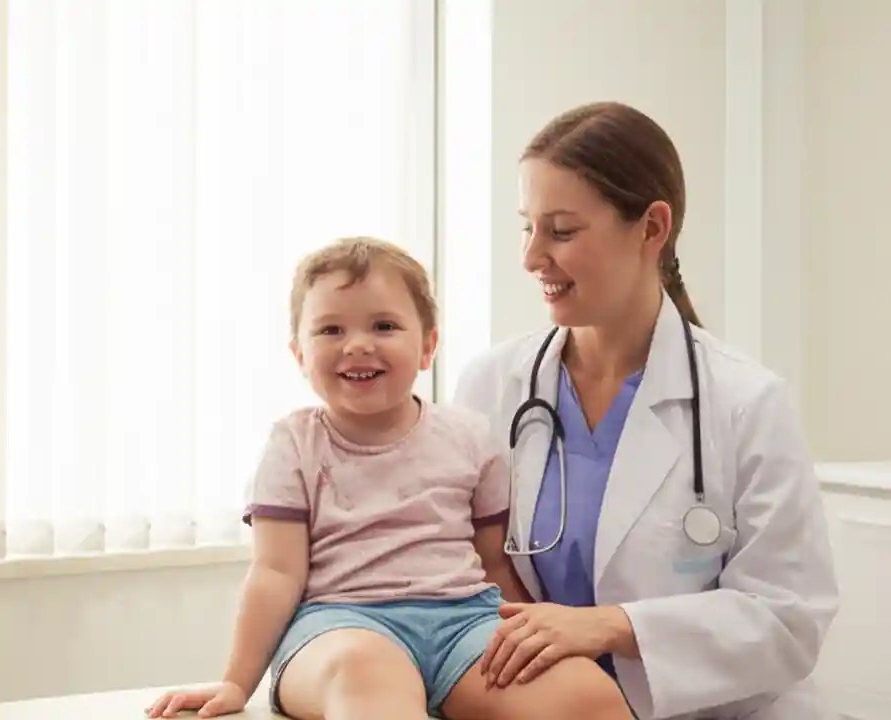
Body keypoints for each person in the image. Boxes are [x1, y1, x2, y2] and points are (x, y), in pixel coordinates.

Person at [452, 101, 840, 719]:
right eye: (527, 226)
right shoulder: (492, 386)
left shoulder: (747, 402)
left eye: (562, 231)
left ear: (652, 227)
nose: (531, 257)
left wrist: (612, 627)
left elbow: (789, 618)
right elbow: (452, 563)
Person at [145, 238, 632, 719]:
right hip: (340, 623)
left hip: (464, 623)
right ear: (299, 355)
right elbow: (276, 573)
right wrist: (235, 683)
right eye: (330, 330)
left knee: (587, 694)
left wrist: (531, 633)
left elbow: (495, 564)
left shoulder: (469, 436)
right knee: (366, 680)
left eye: (384, 325)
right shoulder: (294, 444)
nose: (357, 344)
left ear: (428, 346)